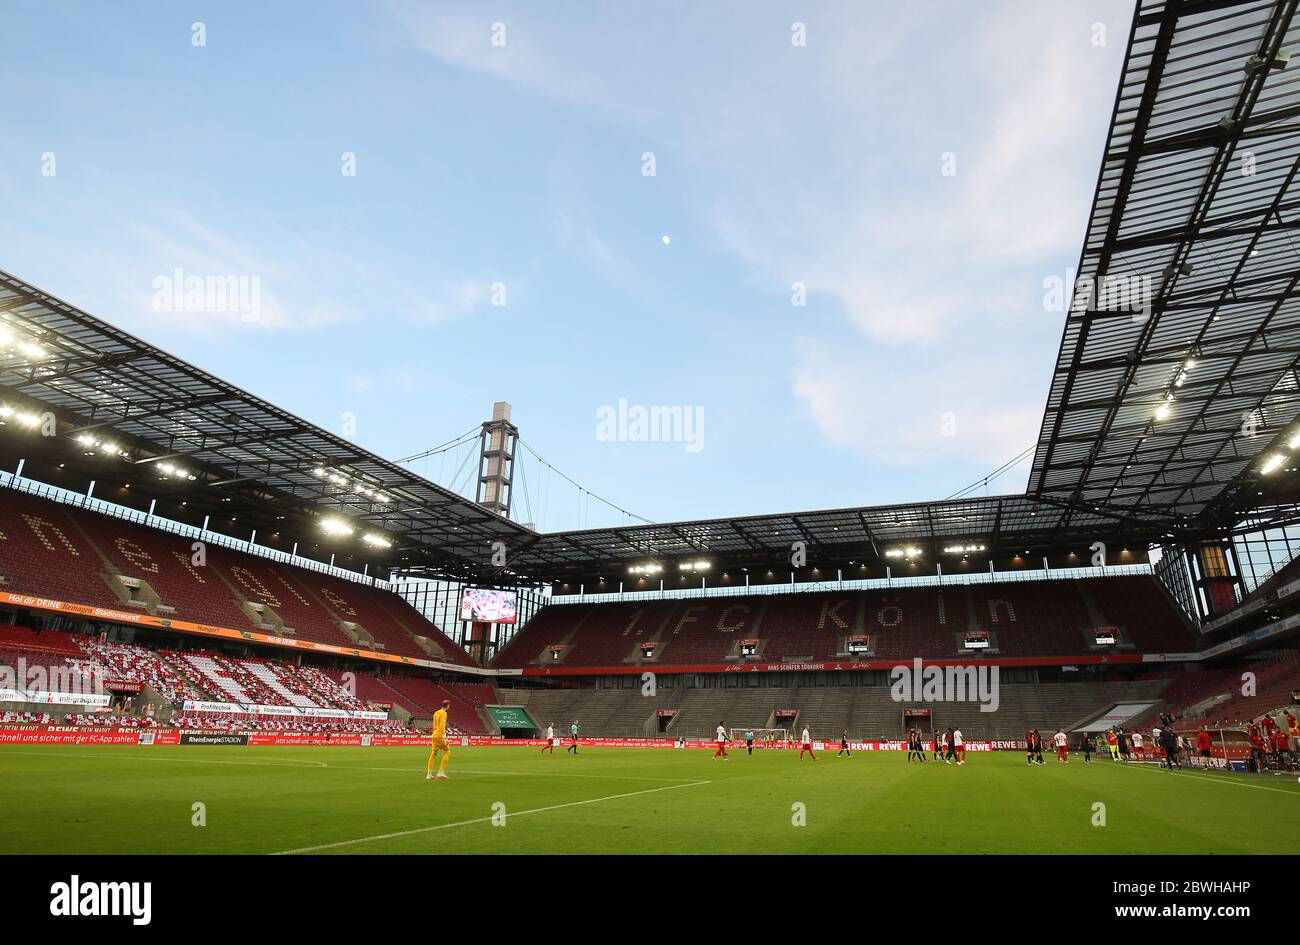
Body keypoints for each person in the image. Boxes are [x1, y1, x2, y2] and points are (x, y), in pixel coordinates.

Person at [425, 699, 452, 781]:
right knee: (447, 751)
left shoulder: (436, 712)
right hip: (440, 735)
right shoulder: (444, 713)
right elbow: (442, 725)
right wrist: (444, 736)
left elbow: (434, 726)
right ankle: (441, 772)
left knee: (434, 753)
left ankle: (429, 774)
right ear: (447, 706)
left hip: (434, 734)